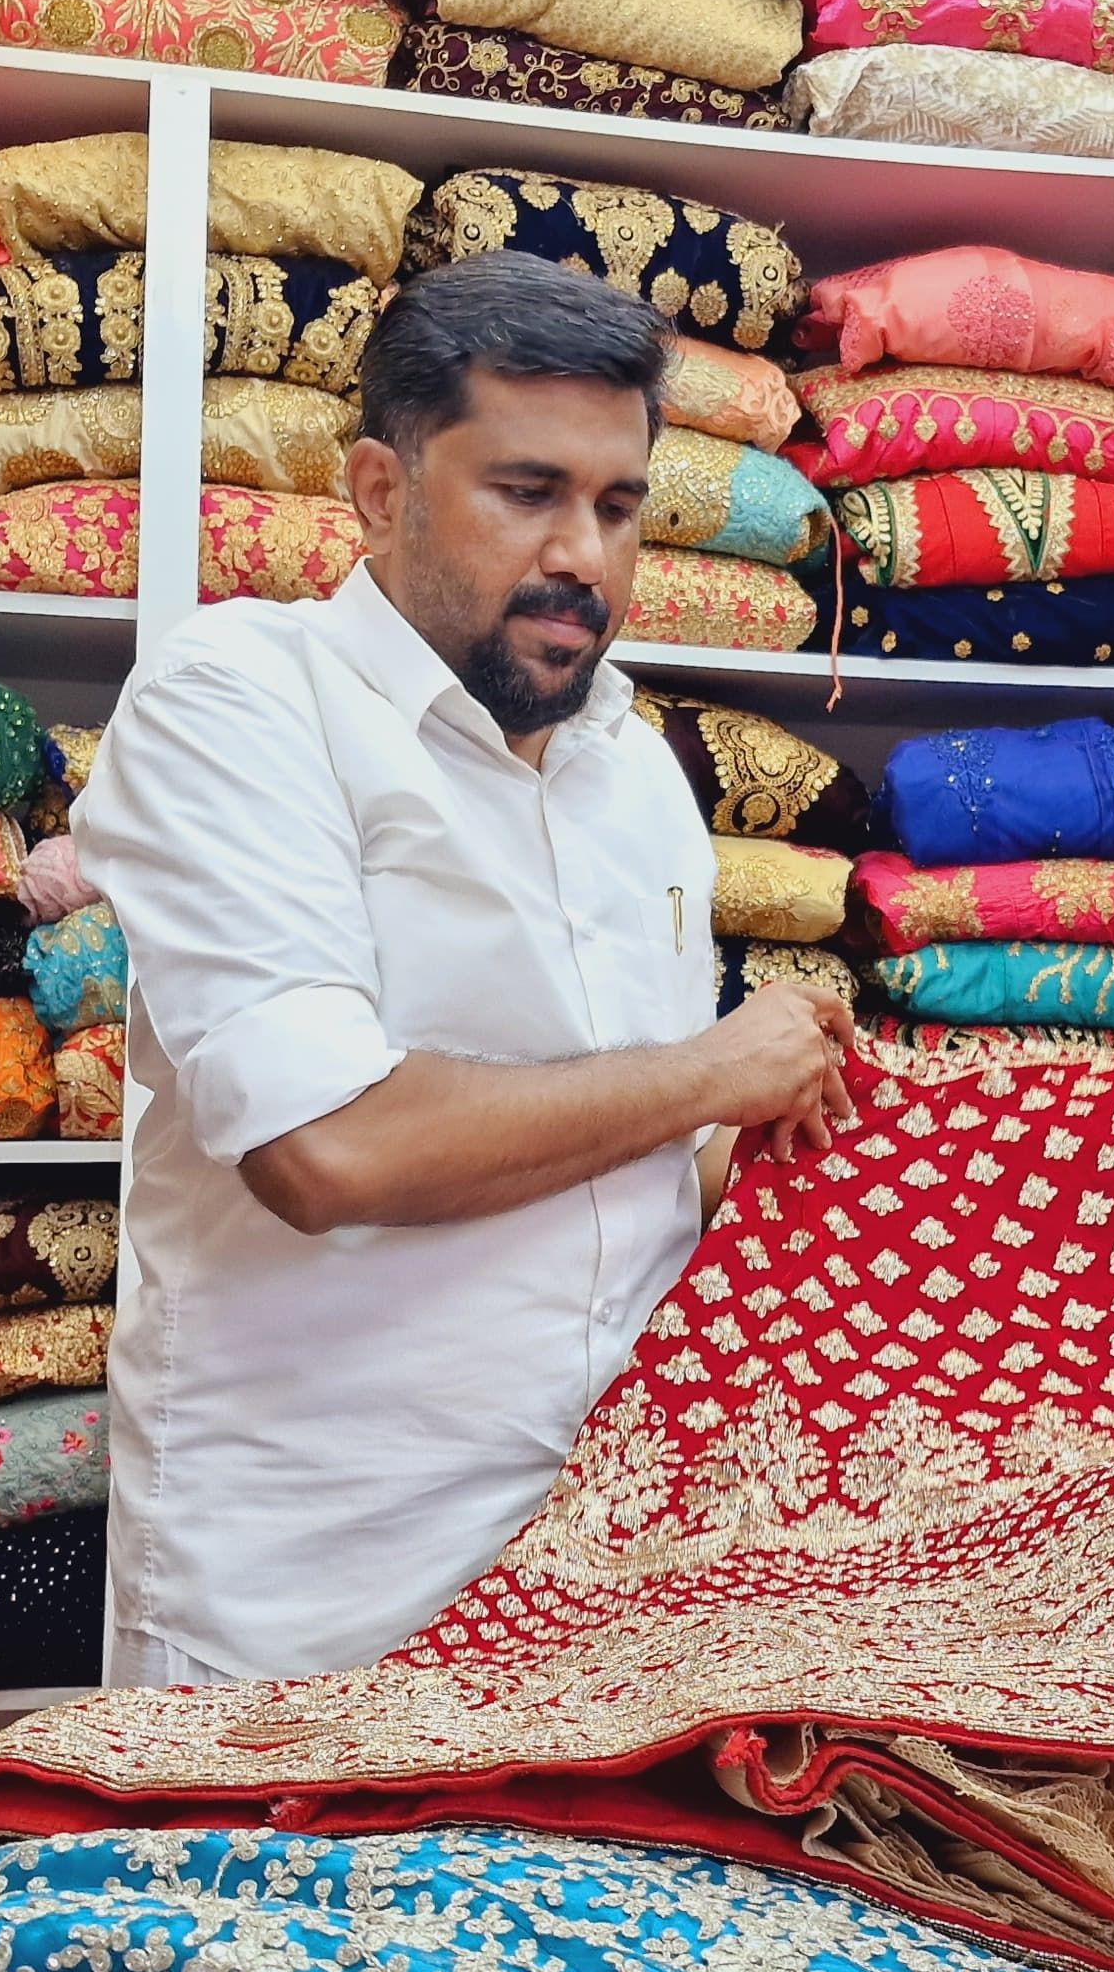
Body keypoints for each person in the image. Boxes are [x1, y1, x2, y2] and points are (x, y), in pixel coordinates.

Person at [71, 253, 859, 1683]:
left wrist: (767, 1137)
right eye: (527, 491)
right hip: (317, 1590)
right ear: (379, 489)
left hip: (612, 1580)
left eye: (618, 506)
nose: (582, 554)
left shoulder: (635, 773)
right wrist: (709, 1073)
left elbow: (635, 1172)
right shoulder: (242, 699)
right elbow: (328, 1150)